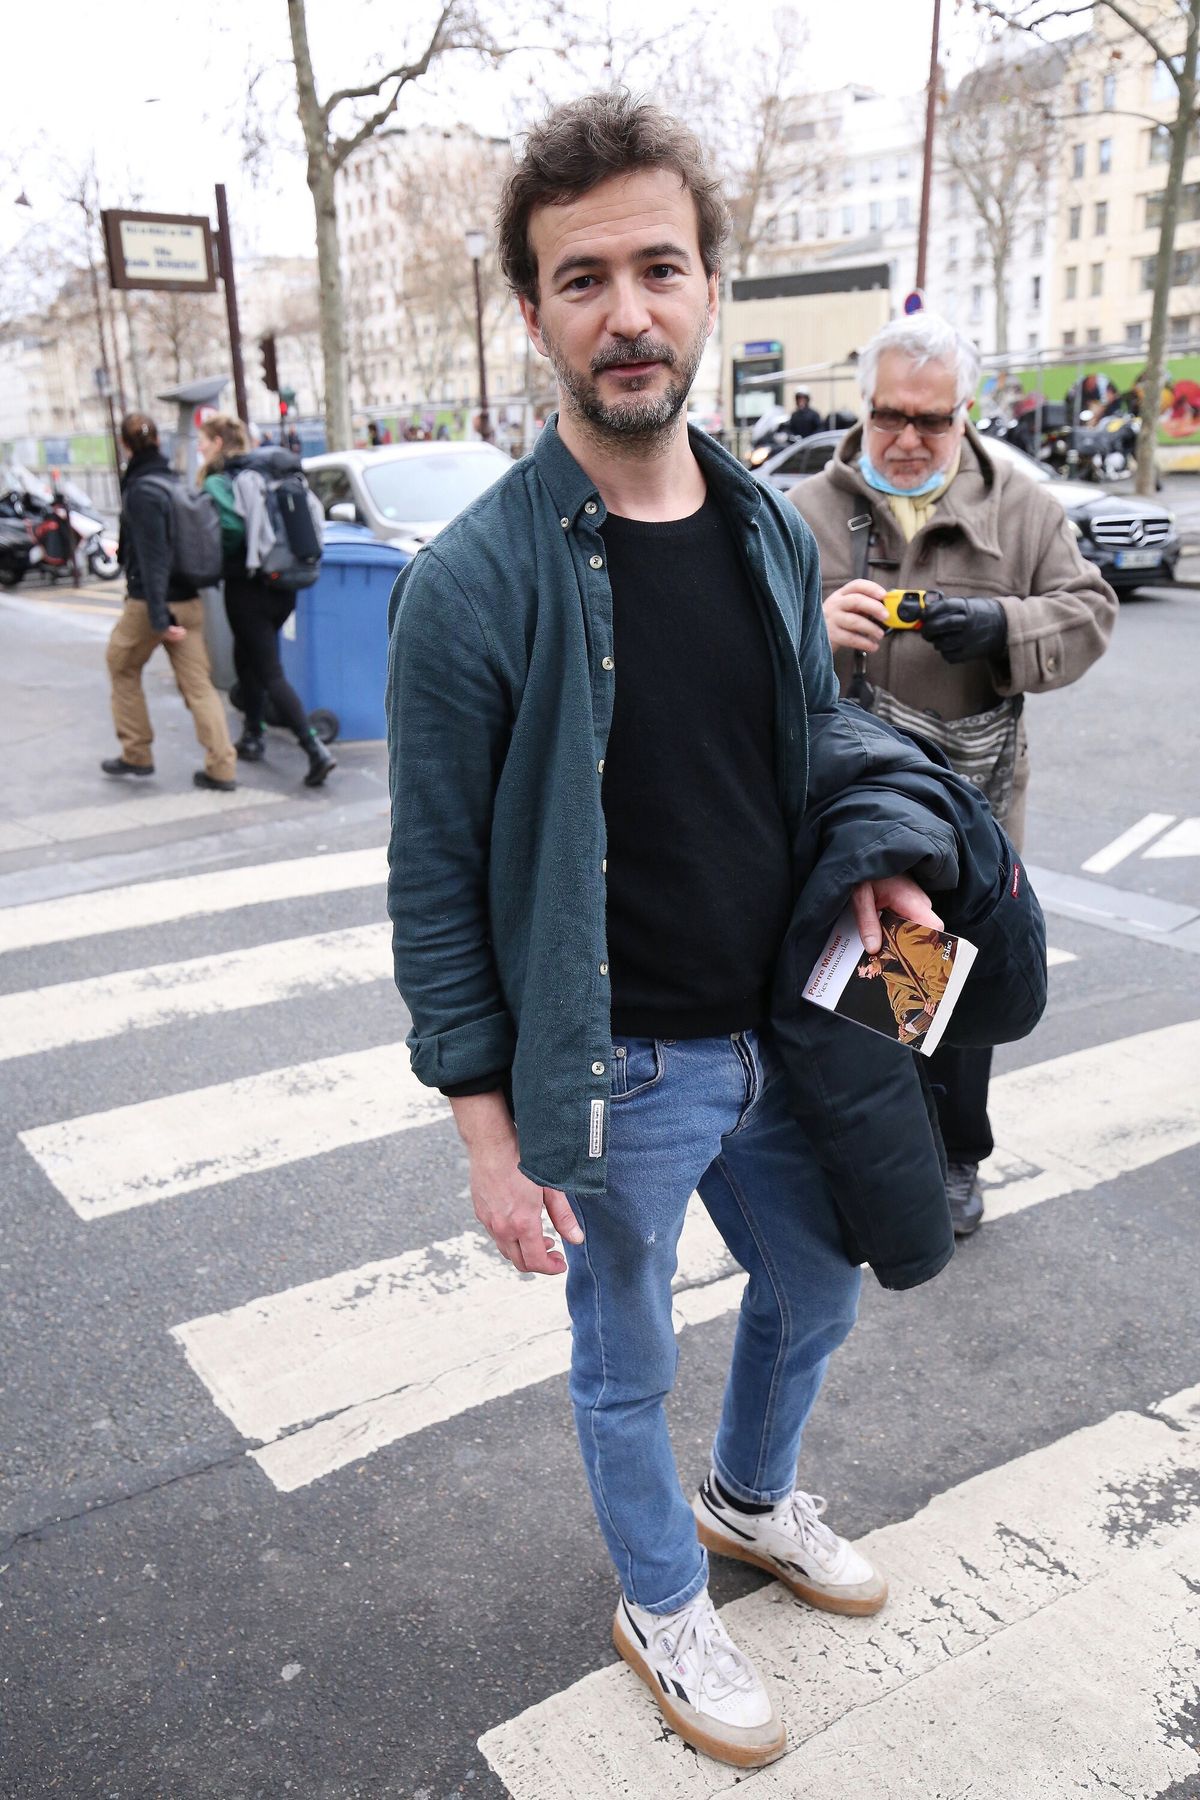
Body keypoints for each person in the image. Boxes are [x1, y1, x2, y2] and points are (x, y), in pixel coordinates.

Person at [386, 92, 948, 1770]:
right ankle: (659, 1596)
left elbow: (812, 745)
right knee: (623, 1355)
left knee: (818, 1283)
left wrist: (884, 867)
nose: (626, 312)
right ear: (536, 311)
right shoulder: (476, 583)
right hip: (616, 1058)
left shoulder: (772, 521)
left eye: (658, 268)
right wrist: (489, 1138)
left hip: (790, 1018)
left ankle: (750, 1502)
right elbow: (433, 886)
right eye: (582, 280)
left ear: (710, 289)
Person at [789, 314, 1116, 1237]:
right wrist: (811, 632)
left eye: (931, 421)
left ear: (964, 414)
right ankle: (869, 1165)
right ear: (865, 405)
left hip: (968, 814)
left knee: (945, 990)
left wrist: (1003, 628)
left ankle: (955, 1158)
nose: (906, 439)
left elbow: (1087, 613)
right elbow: (734, 649)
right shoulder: (806, 509)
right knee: (843, 990)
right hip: (841, 808)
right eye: (890, 414)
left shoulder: (1023, 505)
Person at [196, 415, 335, 787]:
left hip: (248, 587)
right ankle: (253, 735)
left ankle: (314, 749)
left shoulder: (224, 481)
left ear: (221, 443)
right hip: (284, 586)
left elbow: (230, 530)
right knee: (249, 658)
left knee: (269, 671)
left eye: (205, 440)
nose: (200, 447)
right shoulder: (270, 472)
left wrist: (216, 560)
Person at [102, 412, 237, 792]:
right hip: (190, 601)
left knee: (120, 665)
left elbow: (153, 556)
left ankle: (137, 753)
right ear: (157, 442)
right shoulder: (174, 483)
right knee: (199, 686)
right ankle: (222, 767)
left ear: (126, 447)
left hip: (152, 605)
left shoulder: (142, 490)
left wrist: (160, 617)